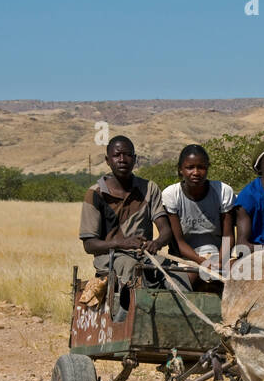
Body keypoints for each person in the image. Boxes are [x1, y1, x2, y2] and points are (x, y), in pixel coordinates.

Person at [79, 135, 174, 315]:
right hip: (110, 258)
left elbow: (166, 230)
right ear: (108, 160)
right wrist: (122, 243)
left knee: (174, 270)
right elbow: (89, 245)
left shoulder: (149, 188)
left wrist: (157, 243)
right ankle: (125, 323)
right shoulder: (95, 193)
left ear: (135, 159)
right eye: (117, 155)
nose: (122, 159)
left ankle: (179, 320)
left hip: (144, 255)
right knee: (131, 267)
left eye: (128, 155)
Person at [161, 144, 235, 291]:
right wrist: (202, 263)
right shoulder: (172, 195)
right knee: (184, 280)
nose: (196, 172)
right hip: (187, 259)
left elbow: (228, 236)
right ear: (180, 169)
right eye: (190, 167)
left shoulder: (222, 191)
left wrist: (219, 262)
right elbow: (180, 243)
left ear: (208, 168)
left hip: (219, 257)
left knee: (246, 273)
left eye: (201, 167)